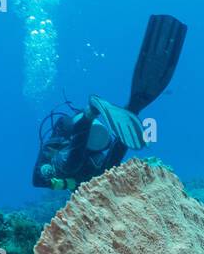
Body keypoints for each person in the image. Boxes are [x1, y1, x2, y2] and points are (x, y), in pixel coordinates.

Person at [32, 14, 187, 190]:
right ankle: (133, 108)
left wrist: (61, 181)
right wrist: (72, 183)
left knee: (75, 167)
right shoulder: (84, 175)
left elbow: (37, 180)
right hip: (90, 156)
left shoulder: (50, 147)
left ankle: (90, 113)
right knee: (108, 172)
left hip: (77, 154)